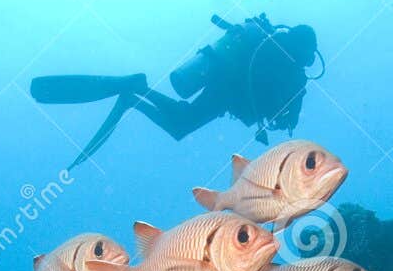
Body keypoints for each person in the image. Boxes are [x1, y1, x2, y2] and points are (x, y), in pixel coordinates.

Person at [31, 14, 322, 168]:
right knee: (180, 124)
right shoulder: (292, 70)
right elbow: (284, 117)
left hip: (223, 81)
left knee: (181, 121)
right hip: (228, 91)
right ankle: (135, 92)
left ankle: (136, 93)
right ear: (306, 50)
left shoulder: (272, 47)